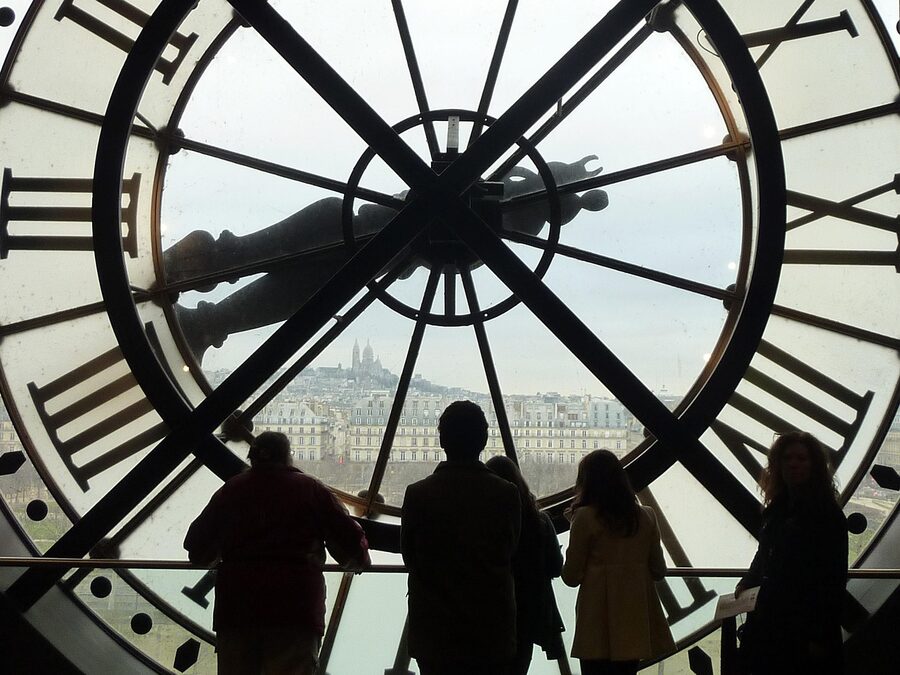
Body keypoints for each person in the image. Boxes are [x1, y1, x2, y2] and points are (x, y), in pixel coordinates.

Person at [183, 431, 370, 675]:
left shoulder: (231, 492)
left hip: (237, 609)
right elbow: (350, 543)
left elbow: (197, 547)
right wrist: (358, 561)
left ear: (251, 456)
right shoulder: (311, 490)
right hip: (296, 610)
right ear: (288, 457)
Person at [401, 401, 522, 675]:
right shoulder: (506, 494)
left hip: (436, 629)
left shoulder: (418, 494)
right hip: (490, 628)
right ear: (483, 440)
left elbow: (410, 556)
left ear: (443, 439)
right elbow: (508, 550)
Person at [735, 431, 848, 675]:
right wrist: (819, 635)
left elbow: (765, 553)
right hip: (801, 630)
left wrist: (749, 581)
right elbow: (832, 580)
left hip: (771, 626)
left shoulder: (776, 510)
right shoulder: (827, 515)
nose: (794, 464)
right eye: (789, 459)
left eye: (800, 459)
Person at [562, 450, 673, 675]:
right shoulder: (647, 516)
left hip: (596, 623)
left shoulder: (584, 519)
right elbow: (658, 570)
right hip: (634, 621)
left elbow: (571, 577)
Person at [486, 455, 565, 675]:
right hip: (528, 613)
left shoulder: (485, 524)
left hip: (489, 613)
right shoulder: (539, 522)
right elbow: (555, 568)